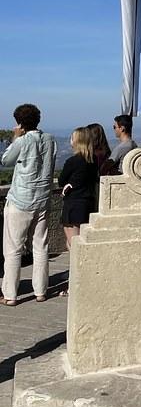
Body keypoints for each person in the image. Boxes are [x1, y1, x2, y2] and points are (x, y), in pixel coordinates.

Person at [0, 103, 56, 306]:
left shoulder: (22, 140)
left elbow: (6, 160)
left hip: (21, 199)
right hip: (42, 198)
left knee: (13, 248)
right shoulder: (50, 140)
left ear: (20, 123)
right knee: (40, 245)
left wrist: (15, 137)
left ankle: (10, 295)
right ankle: (41, 291)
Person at [57, 127, 99, 295]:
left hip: (73, 205)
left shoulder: (73, 161)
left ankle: (76, 285)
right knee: (80, 244)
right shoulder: (93, 161)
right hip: (87, 204)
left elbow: (61, 180)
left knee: (74, 247)